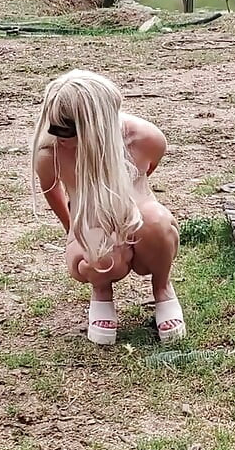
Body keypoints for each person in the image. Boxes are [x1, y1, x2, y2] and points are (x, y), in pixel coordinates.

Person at [31, 70, 185, 345]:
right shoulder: (52, 152)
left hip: (138, 217)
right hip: (90, 223)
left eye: (66, 128)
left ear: (96, 122)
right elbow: (49, 187)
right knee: (94, 249)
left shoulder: (146, 138)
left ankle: (162, 288)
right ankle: (101, 292)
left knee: (156, 221)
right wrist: (72, 228)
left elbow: (146, 171)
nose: (56, 134)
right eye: (52, 125)